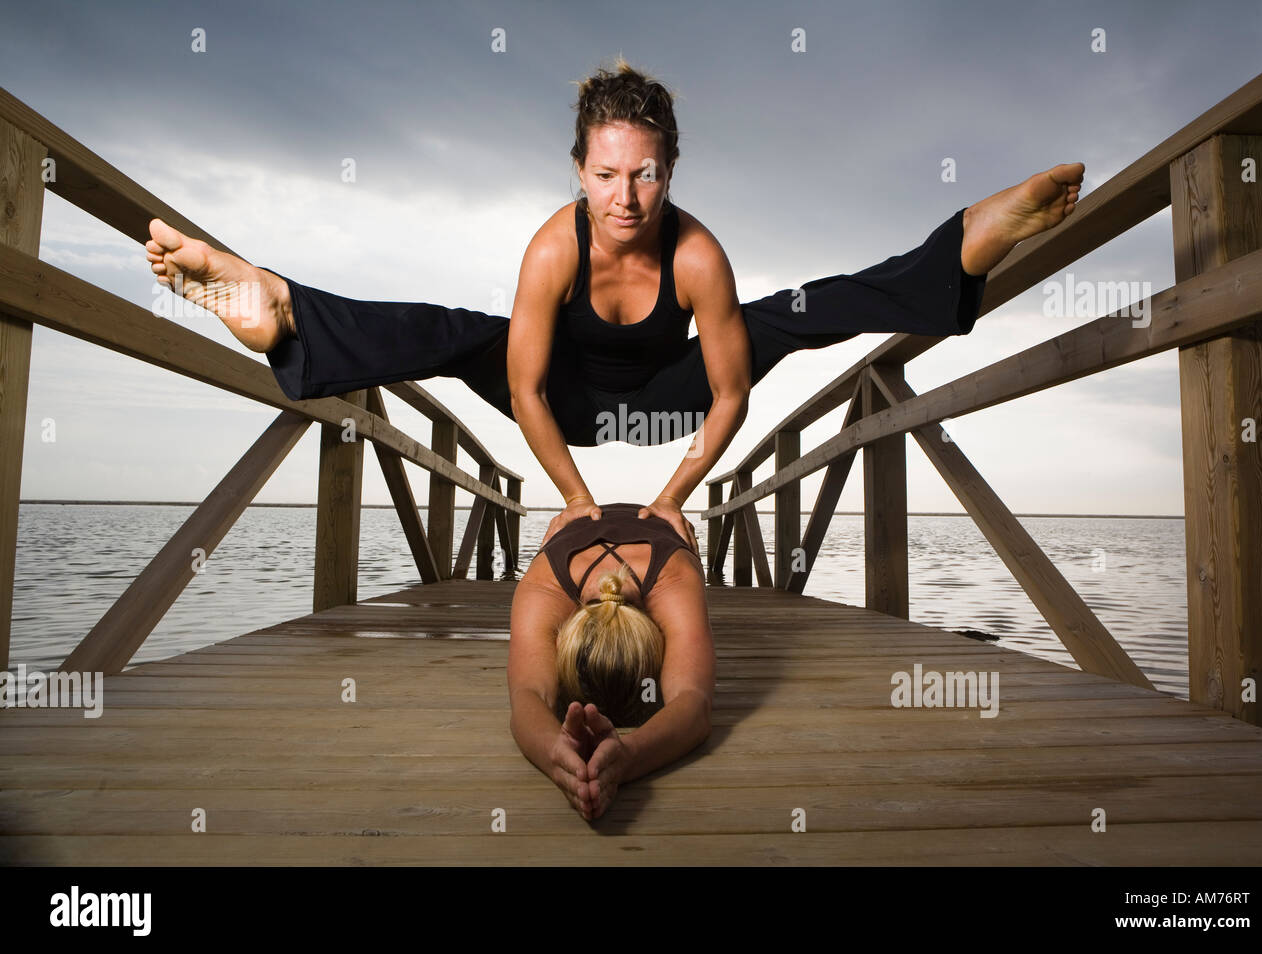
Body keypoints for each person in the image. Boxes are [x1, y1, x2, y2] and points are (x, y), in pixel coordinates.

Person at [142, 58, 1083, 551]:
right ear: (577, 172)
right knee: (465, 334)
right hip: (564, 399)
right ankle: (280, 304)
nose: (625, 199)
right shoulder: (553, 248)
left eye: (645, 176)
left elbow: (727, 397)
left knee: (783, 313)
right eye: (605, 175)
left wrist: (674, 498)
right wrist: (581, 502)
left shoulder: (698, 254)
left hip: (673, 393)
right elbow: (525, 389)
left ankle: (964, 240)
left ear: (669, 171)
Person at [508, 501, 711, 821]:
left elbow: (528, 696)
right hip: (649, 520)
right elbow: (692, 703)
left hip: (597, 517)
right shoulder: (672, 577)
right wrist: (627, 758)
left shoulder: (546, 584)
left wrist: (556, 756)